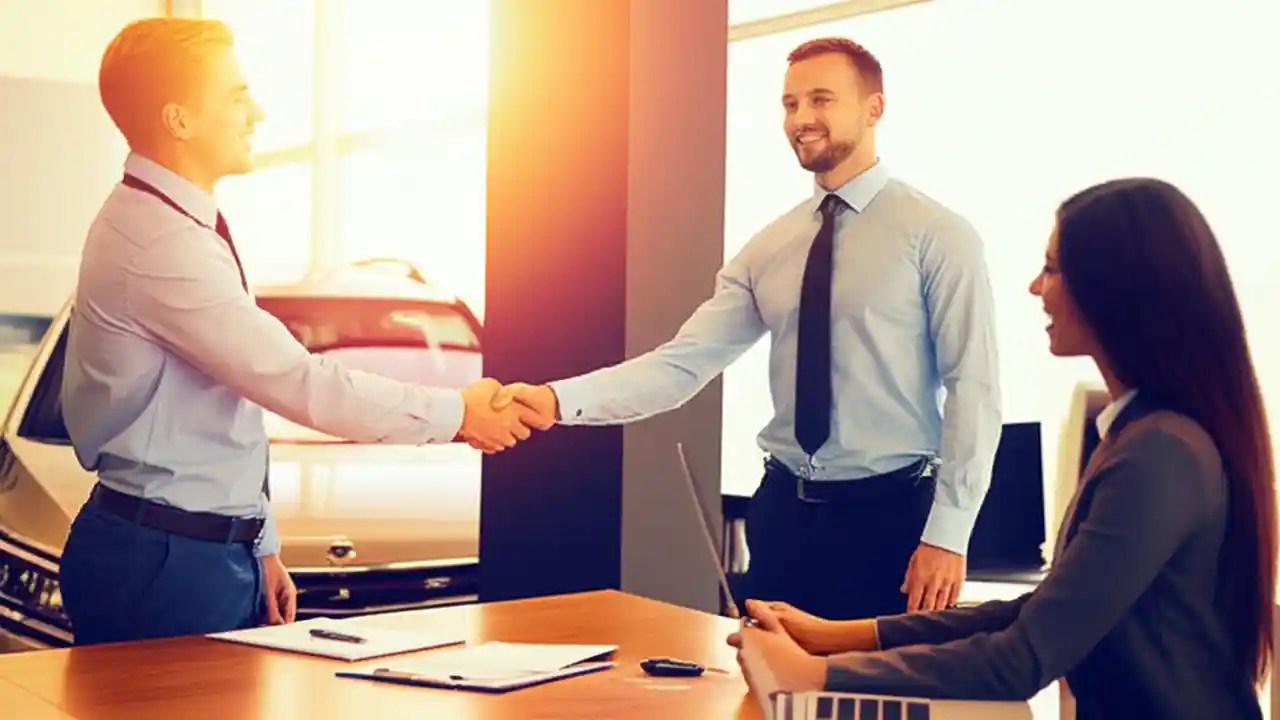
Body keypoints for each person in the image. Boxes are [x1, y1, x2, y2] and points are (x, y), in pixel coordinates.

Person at [58, 17, 544, 646]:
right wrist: (458, 414)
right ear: (179, 120)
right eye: (236, 95)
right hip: (166, 563)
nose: (256, 112)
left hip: (193, 548)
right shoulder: (158, 244)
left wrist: (259, 544)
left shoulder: (175, 224)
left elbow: (221, 418)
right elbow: (294, 381)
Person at [729, 178, 1275, 719]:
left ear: (1114, 289)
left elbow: (1023, 658)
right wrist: (837, 637)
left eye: (1053, 268)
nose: (1036, 287)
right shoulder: (1145, 437)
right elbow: (1040, 613)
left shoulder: (1159, 454)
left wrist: (816, 674)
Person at [495, 37, 1001, 620]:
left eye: (821, 100)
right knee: (765, 698)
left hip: (891, 517)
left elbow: (976, 388)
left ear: (873, 108)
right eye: (789, 104)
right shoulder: (770, 247)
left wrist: (949, 534)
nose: (801, 119)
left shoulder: (938, 234)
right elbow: (681, 364)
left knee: (873, 703)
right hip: (783, 515)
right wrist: (557, 400)